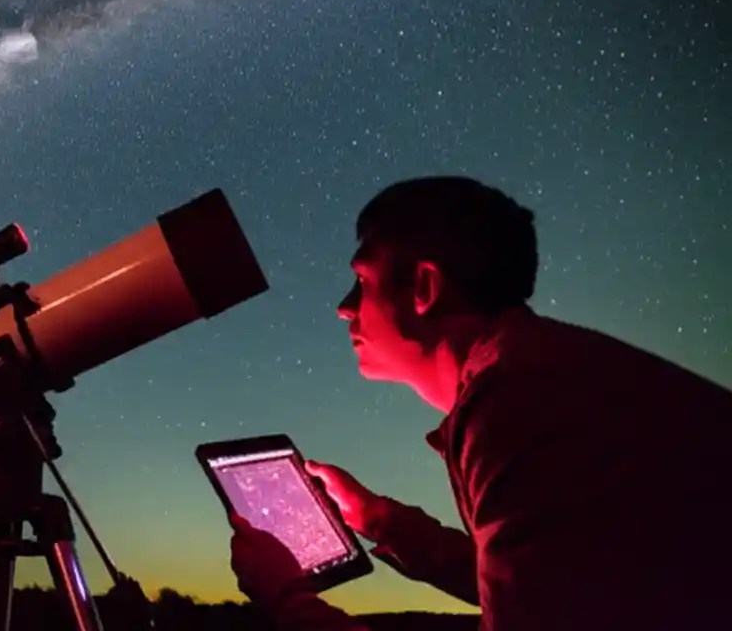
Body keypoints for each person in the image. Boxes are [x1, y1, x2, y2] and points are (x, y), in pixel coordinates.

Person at [229, 176, 732, 630]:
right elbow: (549, 578)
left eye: (362, 281)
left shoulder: (521, 408)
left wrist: (286, 597)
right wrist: (379, 519)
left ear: (424, 287)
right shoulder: (545, 372)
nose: (344, 308)